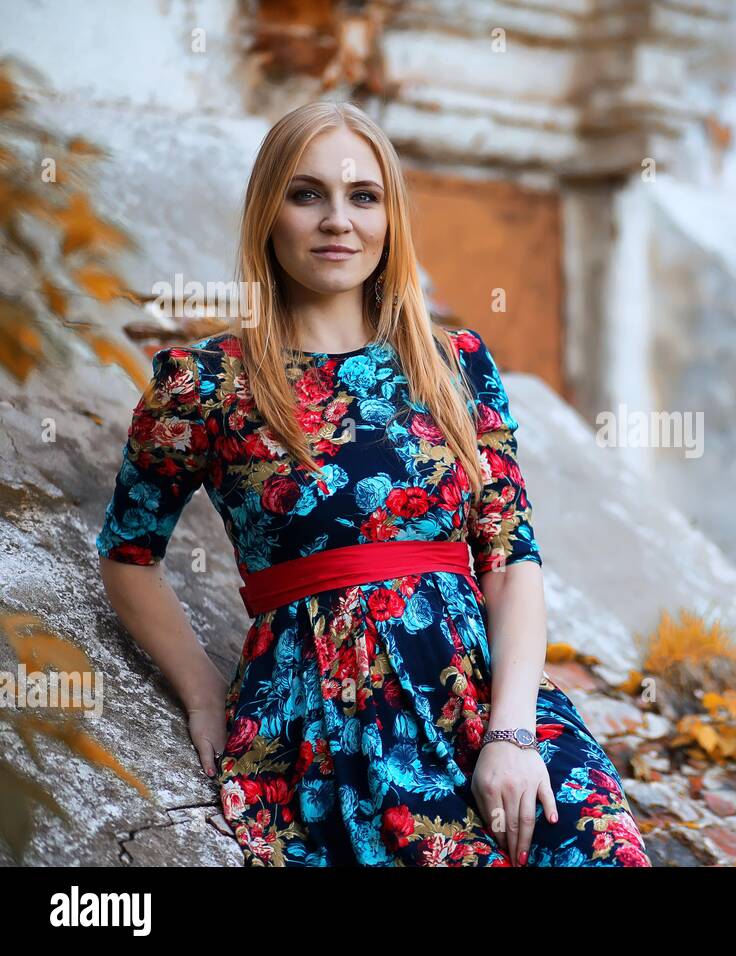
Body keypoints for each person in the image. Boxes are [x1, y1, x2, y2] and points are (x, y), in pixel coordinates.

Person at [95, 101, 650, 867]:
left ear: (390, 217)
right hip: (327, 723)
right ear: (268, 212)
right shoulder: (205, 383)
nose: (337, 220)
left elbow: (511, 557)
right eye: (306, 194)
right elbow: (128, 553)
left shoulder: (455, 363)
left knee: (597, 851)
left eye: (363, 196)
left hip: (486, 701)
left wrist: (513, 734)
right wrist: (201, 691)